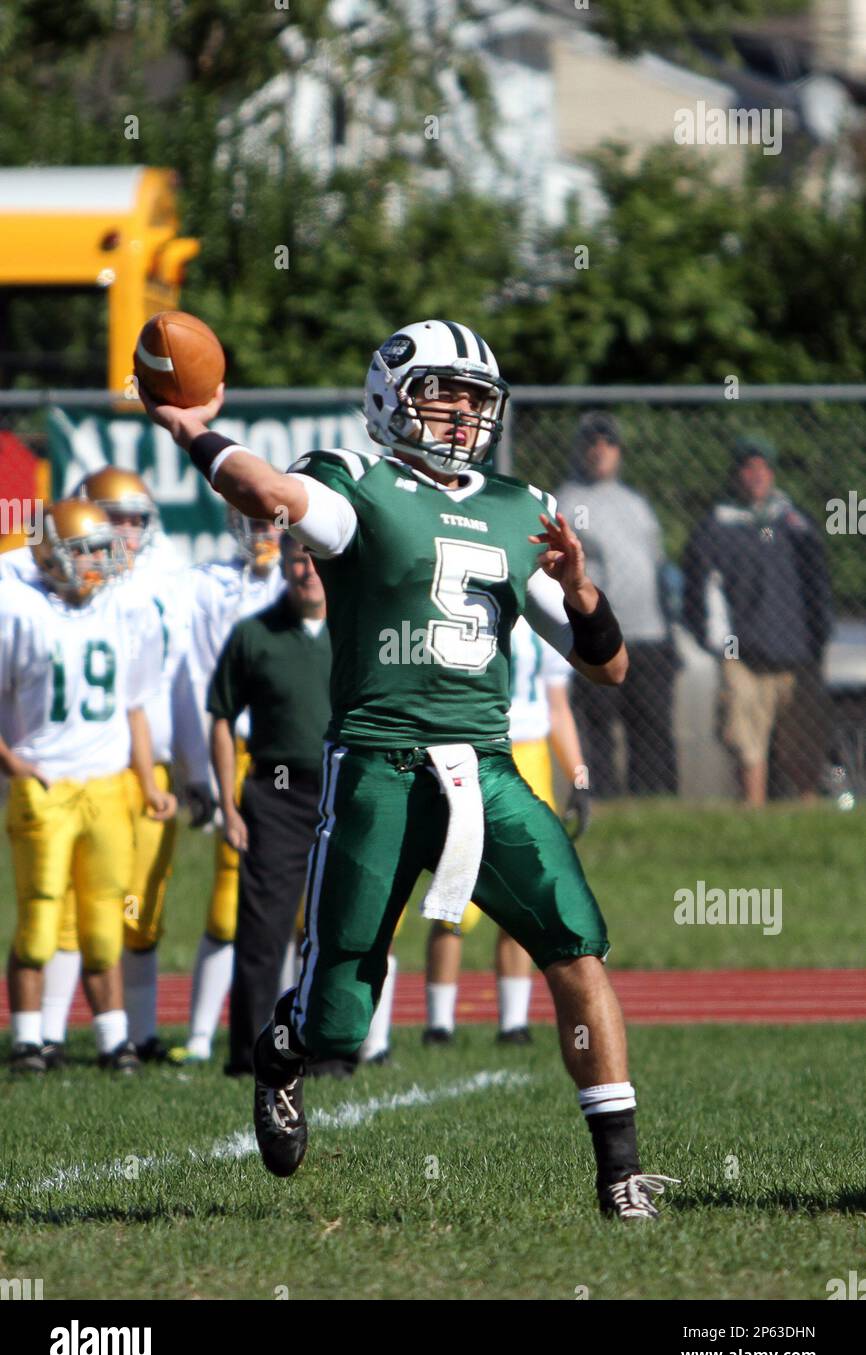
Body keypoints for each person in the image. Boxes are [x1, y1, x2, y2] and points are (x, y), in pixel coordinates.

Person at [139, 318, 680, 1221]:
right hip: (378, 768)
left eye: (476, 398)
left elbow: (609, 665)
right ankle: (284, 1045)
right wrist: (190, 428)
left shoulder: (519, 507)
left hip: (488, 768)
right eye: (444, 391)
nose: (463, 412)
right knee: (341, 1019)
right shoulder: (358, 485)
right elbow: (268, 490)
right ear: (391, 396)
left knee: (576, 946)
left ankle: (620, 1175)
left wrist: (581, 592)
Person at [0, 500, 173, 1073]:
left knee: (104, 920)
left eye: (104, 547)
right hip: (45, 784)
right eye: (88, 549)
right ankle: (28, 1040)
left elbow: (137, 706)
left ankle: (112, 1039)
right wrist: (16, 765)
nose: (103, 559)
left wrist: (147, 781)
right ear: (52, 555)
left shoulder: (125, 609)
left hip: (106, 785)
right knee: (41, 916)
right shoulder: (19, 609)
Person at [36, 468, 189, 1064]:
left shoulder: (169, 580)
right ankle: (46, 1034)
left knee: (140, 909)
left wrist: (196, 771)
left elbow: (188, 679)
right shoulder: (45, 580)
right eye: (112, 516)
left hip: (153, 765)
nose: (124, 531)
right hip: (85, 765)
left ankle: (140, 1034)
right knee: (74, 908)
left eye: (134, 519)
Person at [424, 615, 591, 1046]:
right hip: (473, 752)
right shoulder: (463, 612)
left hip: (530, 755)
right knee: (456, 893)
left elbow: (557, 707)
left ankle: (513, 1023)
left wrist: (578, 777)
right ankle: (439, 1023)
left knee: (525, 892)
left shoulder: (544, 621)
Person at [208, 535, 332, 1076]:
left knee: (336, 927)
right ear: (281, 566)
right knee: (263, 930)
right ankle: (249, 1053)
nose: (305, 572)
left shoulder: (357, 632)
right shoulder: (254, 634)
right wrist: (228, 805)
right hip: (276, 795)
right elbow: (220, 714)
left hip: (342, 792)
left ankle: (332, 1050)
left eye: (314, 561)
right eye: (296, 561)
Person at [168, 508, 284, 1064]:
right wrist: (197, 771)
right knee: (227, 902)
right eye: (255, 522)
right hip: (235, 749)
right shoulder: (207, 584)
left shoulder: (307, 578)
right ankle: (198, 1037)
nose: (265, 534)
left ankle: (289, 1031)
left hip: (295, 750)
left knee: (297, 903)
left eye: (273, 523)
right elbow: (190, 675)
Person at [682, 435, 834, 807]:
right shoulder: (715, 530)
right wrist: (723, 648)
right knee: (747, 745)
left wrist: (818, 640)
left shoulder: (796, 524)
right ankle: (755, 814)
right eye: (748, 468)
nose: (757, 475)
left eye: (764, 468)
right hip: (743, 659)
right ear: (736, 475)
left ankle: (807, 811)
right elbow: (701, 597)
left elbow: (819, 585)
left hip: (798, 657)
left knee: (804, 741)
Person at [556, 412, 678, 797]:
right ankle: (603, 799)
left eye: (607, 442)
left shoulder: (636, 503)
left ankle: (654, 798)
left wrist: (672, 623)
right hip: (602, 632)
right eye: (591, 443)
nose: (600, 450)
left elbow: (658, 565)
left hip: (650, 631)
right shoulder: (567, 501)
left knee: (653, 724)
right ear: (580, 450)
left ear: (619, 450)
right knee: (597, 723)